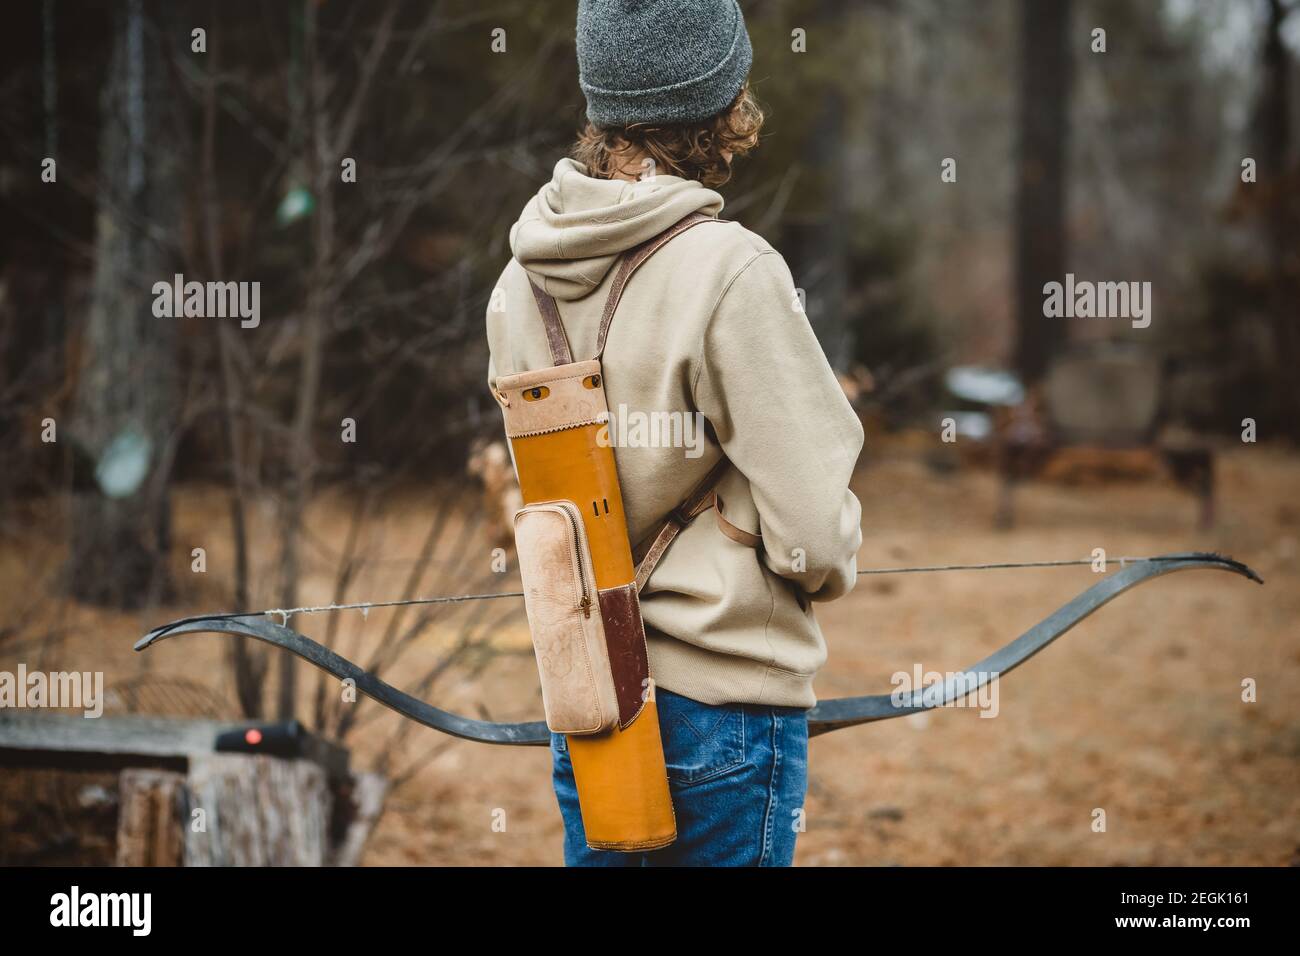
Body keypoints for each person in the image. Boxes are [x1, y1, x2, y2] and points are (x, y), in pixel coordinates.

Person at [484, 0, 863, 866]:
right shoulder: (733, 272)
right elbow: (812, 538)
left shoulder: (517, 282)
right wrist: (831, 560)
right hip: (724, 713)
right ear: (722, 98)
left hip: (593, 701)